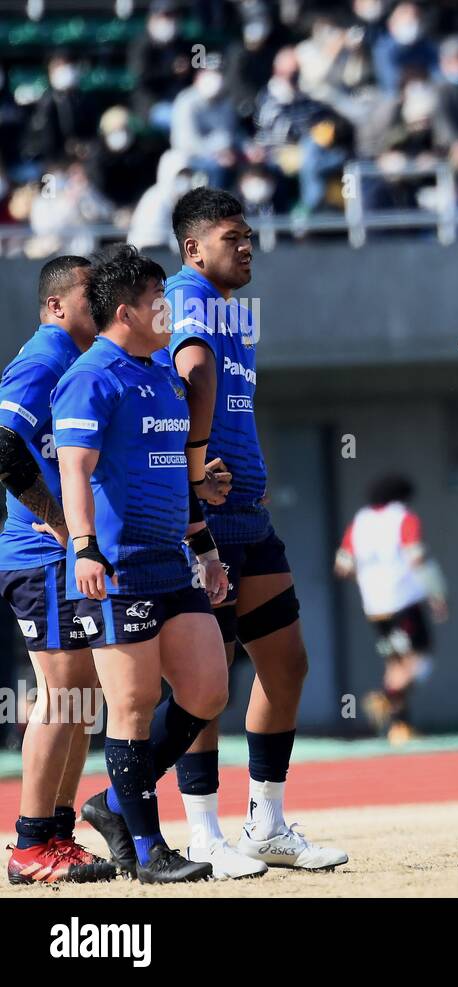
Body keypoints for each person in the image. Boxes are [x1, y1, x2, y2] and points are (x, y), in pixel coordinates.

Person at [164, 187, 348, 874]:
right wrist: (193, 476)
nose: (246, 248)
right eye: (233, 237)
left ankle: (265, 822)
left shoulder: (233, 312)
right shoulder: (187, 297)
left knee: (287, 660)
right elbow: (189, 375)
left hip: (248, 515)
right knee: (205, 680)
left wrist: (246, 462)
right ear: (193, 248)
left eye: (251, 238)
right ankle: (204, 832)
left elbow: (223, 398)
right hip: (202, 519)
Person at [55, 244, 230, 883]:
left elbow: (179, 475)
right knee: (130, 704)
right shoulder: (90, 376)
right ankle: (152, 849)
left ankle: (110, 806)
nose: (169, 310)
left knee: (209, 687)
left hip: (170, 560)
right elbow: (75, 469)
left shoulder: (160, 374)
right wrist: (83, 548)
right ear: (126, 310)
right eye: (159, 301)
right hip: (117, 566)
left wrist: (204, 545)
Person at [1, 257, 116, 885]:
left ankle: (58, 834)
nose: (100, 300)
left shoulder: (84, 360)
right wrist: (61, 523)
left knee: (82, 696)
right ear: (54, 306)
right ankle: (29, 845)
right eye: (87, 292)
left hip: (65, 556)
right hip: (41, 555)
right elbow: (1, 444)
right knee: (64, 694)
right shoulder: (45, 356)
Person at [334, 474, 447, 745]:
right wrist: (437, 594)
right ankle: (385, 697)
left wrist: (369, 578)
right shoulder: (403, 517)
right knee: (420, 659)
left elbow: (343, 567)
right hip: (404, 602)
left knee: (395, 662)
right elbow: (416, 556)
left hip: (375, 606)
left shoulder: (359, 523)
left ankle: (400, 726)